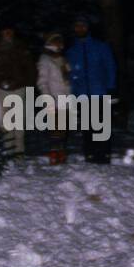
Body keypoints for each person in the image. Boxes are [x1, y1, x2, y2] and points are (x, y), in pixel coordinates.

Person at [65, 14, 118, 164]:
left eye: (83, 26)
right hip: (81, 94)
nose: (80, 28)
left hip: (99, 92)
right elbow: (69, 74)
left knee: (101, 126)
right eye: (77, 26)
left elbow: (110, 67)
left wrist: (111, 87)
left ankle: (103, 156)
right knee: (87, 128)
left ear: (88, 28)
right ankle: (90, 155)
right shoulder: (71, 51)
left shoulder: (100, 47)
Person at [0, 21, 35, 156]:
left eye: (10, 30)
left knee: (18, 122)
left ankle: (19, 151)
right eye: (5, 30)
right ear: (0, 32)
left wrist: (28, 86)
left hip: (19, 88)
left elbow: (30, 69)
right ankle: (8, 151)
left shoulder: (21, 47)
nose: (8, 33)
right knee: (5, 122)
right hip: (0, 89)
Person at [36, 32, 73, 164]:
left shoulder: (63, 59)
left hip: (65, 98)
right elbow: (42, 81)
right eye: (54, 42)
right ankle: (54, 155)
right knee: (55, 128)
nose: (57, 45)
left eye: (59, 42)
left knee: (63, 129)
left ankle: (61, 154)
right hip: (53, 98)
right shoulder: (45, 59)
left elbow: (68, 79)